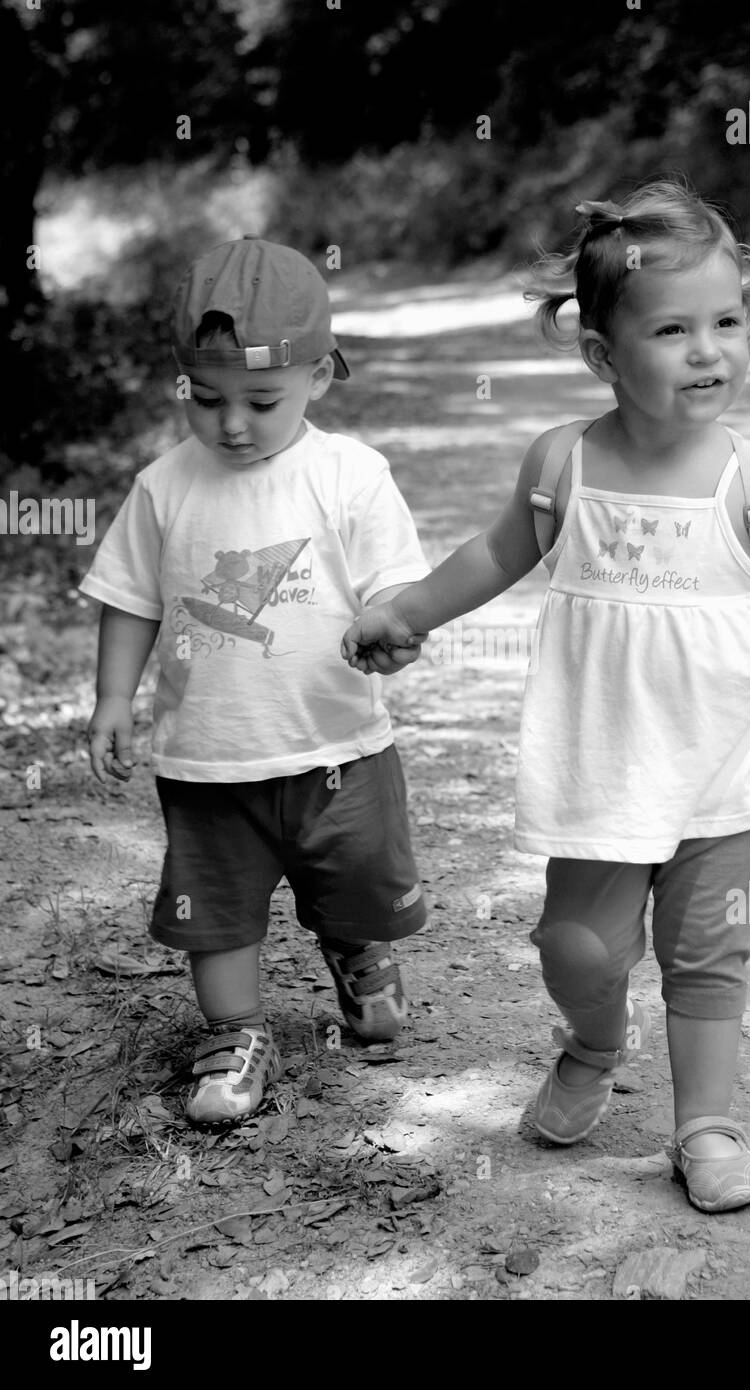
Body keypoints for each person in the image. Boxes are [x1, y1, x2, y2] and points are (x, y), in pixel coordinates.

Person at [341, 179, 750, 1212]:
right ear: (603, 356)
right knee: (575, 946)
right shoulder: (562, 464)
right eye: (672, 329)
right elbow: (492, 552)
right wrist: (411, 611)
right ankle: (592, 1042)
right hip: (604, 779)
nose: (710, 350)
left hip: (723, 781)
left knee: (708, 958)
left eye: (726, 322)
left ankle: (703, 1127)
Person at [80, 237, 430, 1126]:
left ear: (322, 374)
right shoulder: (163, 487)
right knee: (216, 916)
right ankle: (235, 1032)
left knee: (353, 881)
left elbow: (393, 581)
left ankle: (355, 950)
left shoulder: (350, 473)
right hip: (207, 762)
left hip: (337, 747)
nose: (232, 424)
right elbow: (129, 599)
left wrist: (392, 625)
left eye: (261, 401)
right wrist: (115, 698)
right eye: (207, 400)